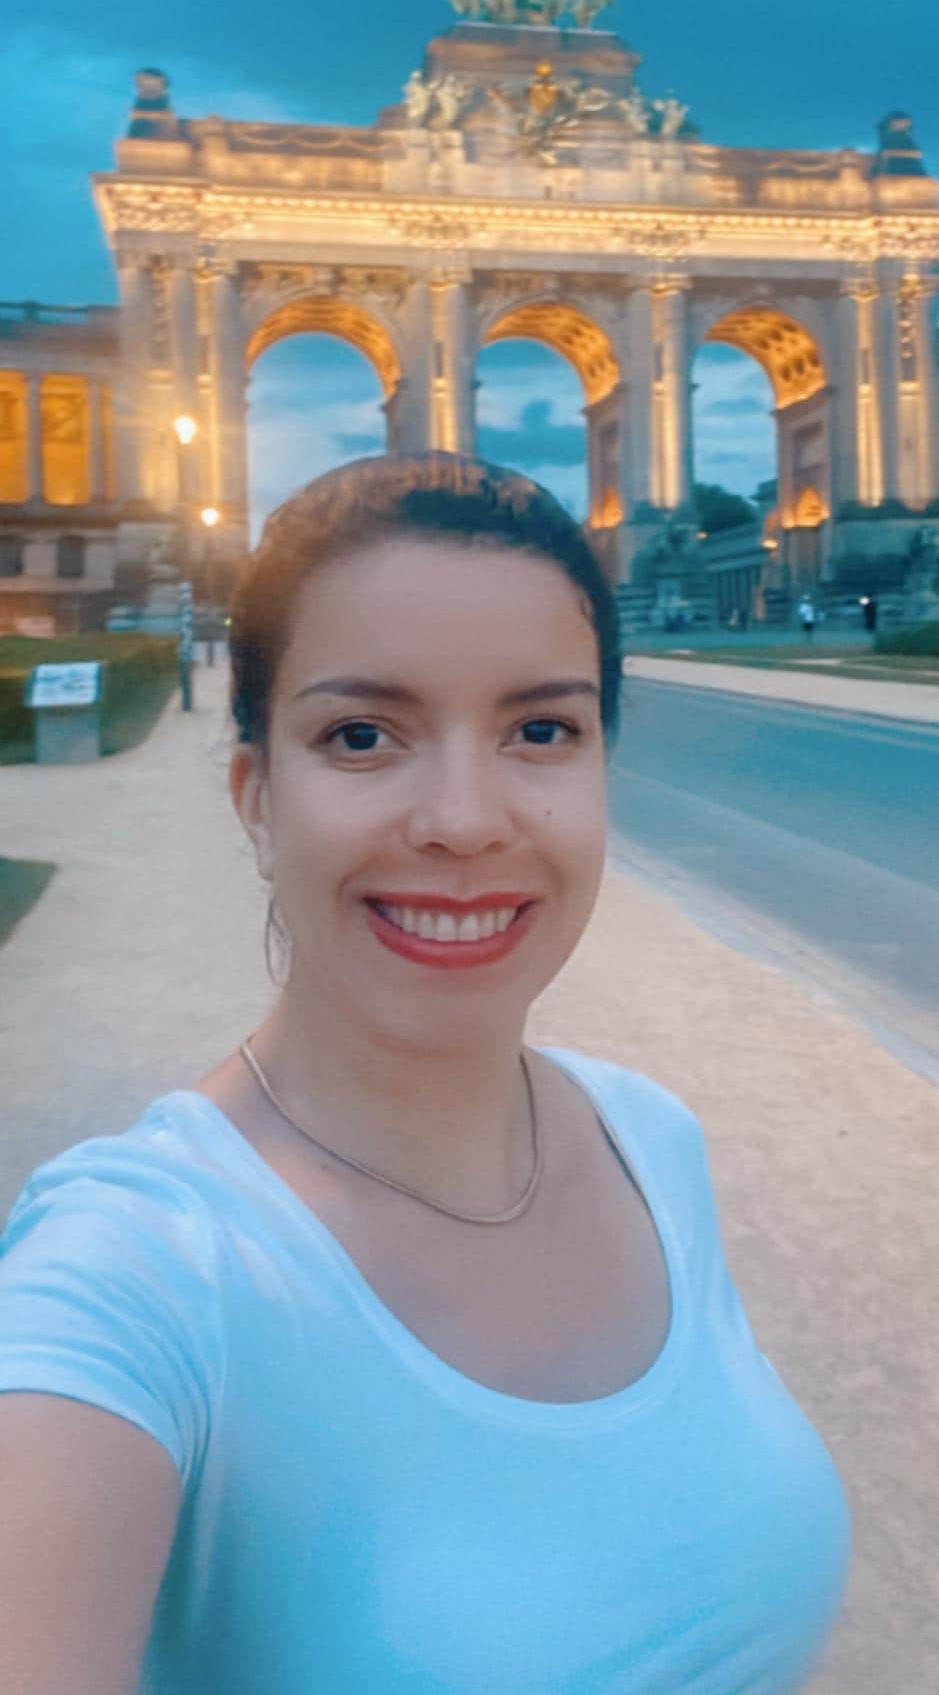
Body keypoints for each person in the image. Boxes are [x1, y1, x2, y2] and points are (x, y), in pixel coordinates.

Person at [0, 452, 851, 1693]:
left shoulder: (652, 1141)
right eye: (362, 735)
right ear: (256, 797)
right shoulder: (134, 1269)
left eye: (541, 730)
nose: (464, 818)